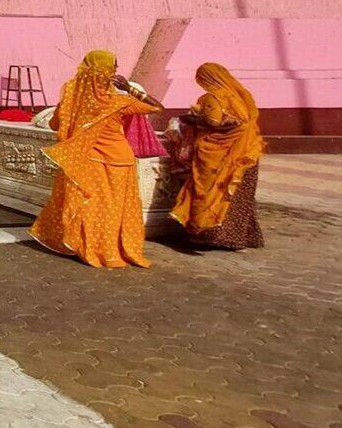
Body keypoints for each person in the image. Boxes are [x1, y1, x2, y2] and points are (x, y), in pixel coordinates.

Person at [30, 50, 163, 269]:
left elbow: (55, 125)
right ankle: (109, 252)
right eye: (114, 68)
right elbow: (157, 107)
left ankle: (86, 247)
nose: (115, 71)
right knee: (114, 208)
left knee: (91, 207)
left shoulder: (73, 99)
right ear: (109, 73)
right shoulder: (118, 101)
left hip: (86, 161)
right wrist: (129, 88)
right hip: (120, 161)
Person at [169, 63, 266, 249]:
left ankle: (209, 237)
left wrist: (190, 118)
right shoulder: (240, 96)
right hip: (246, 152)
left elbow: (213, 122)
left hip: (220, 155)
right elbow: (243, 122)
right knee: (238, 197)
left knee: (214, 194)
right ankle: (239, 239)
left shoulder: (212, 97)